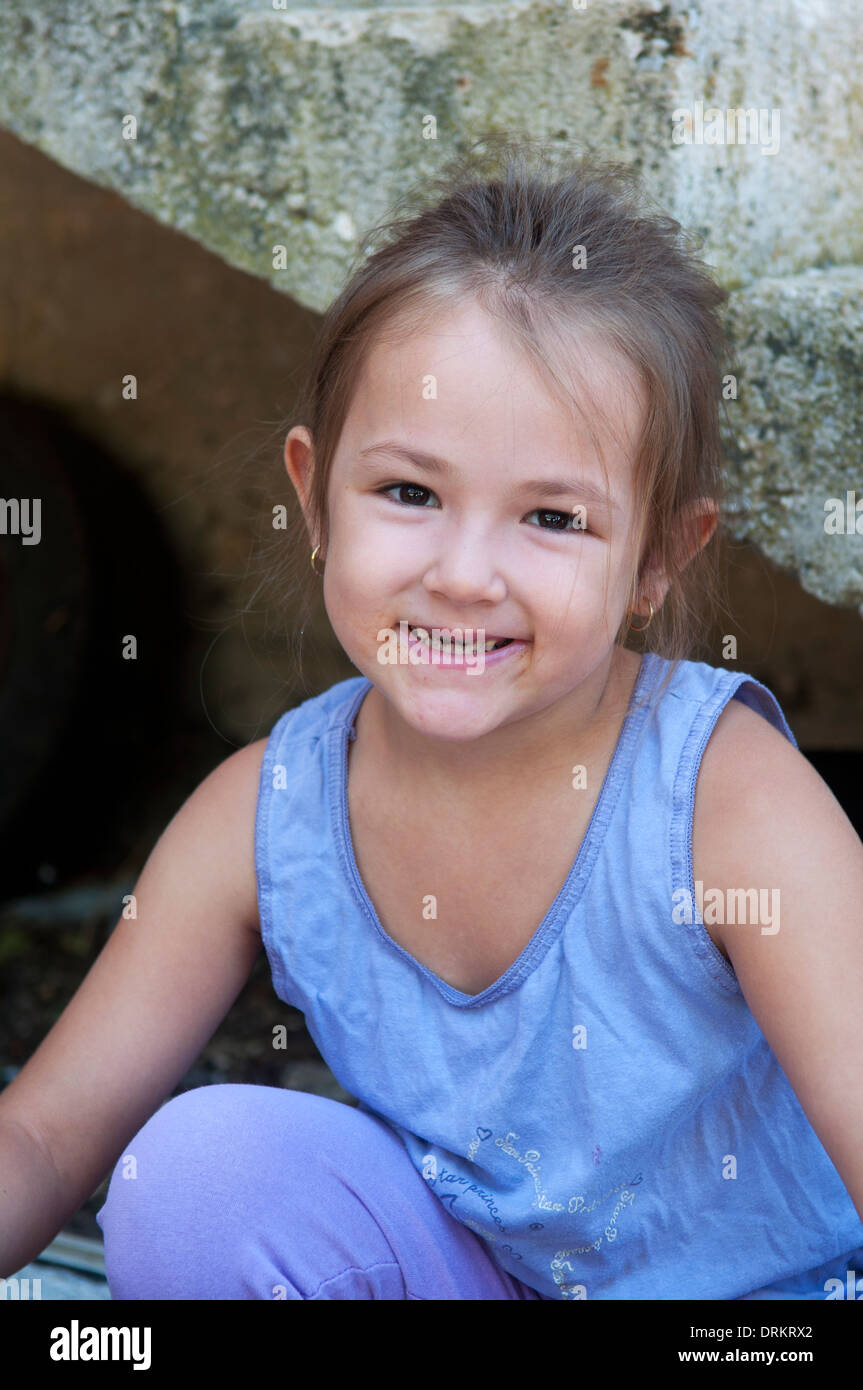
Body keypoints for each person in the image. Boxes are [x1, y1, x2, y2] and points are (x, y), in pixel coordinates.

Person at [2, 138, 862, 1300]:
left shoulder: (724, 799)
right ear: (314, 494)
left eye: (552, 518)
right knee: (200, 1175)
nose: (463, 574)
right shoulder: (270, 812)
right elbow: (47, 1137)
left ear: (659, 554)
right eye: (408, 493)